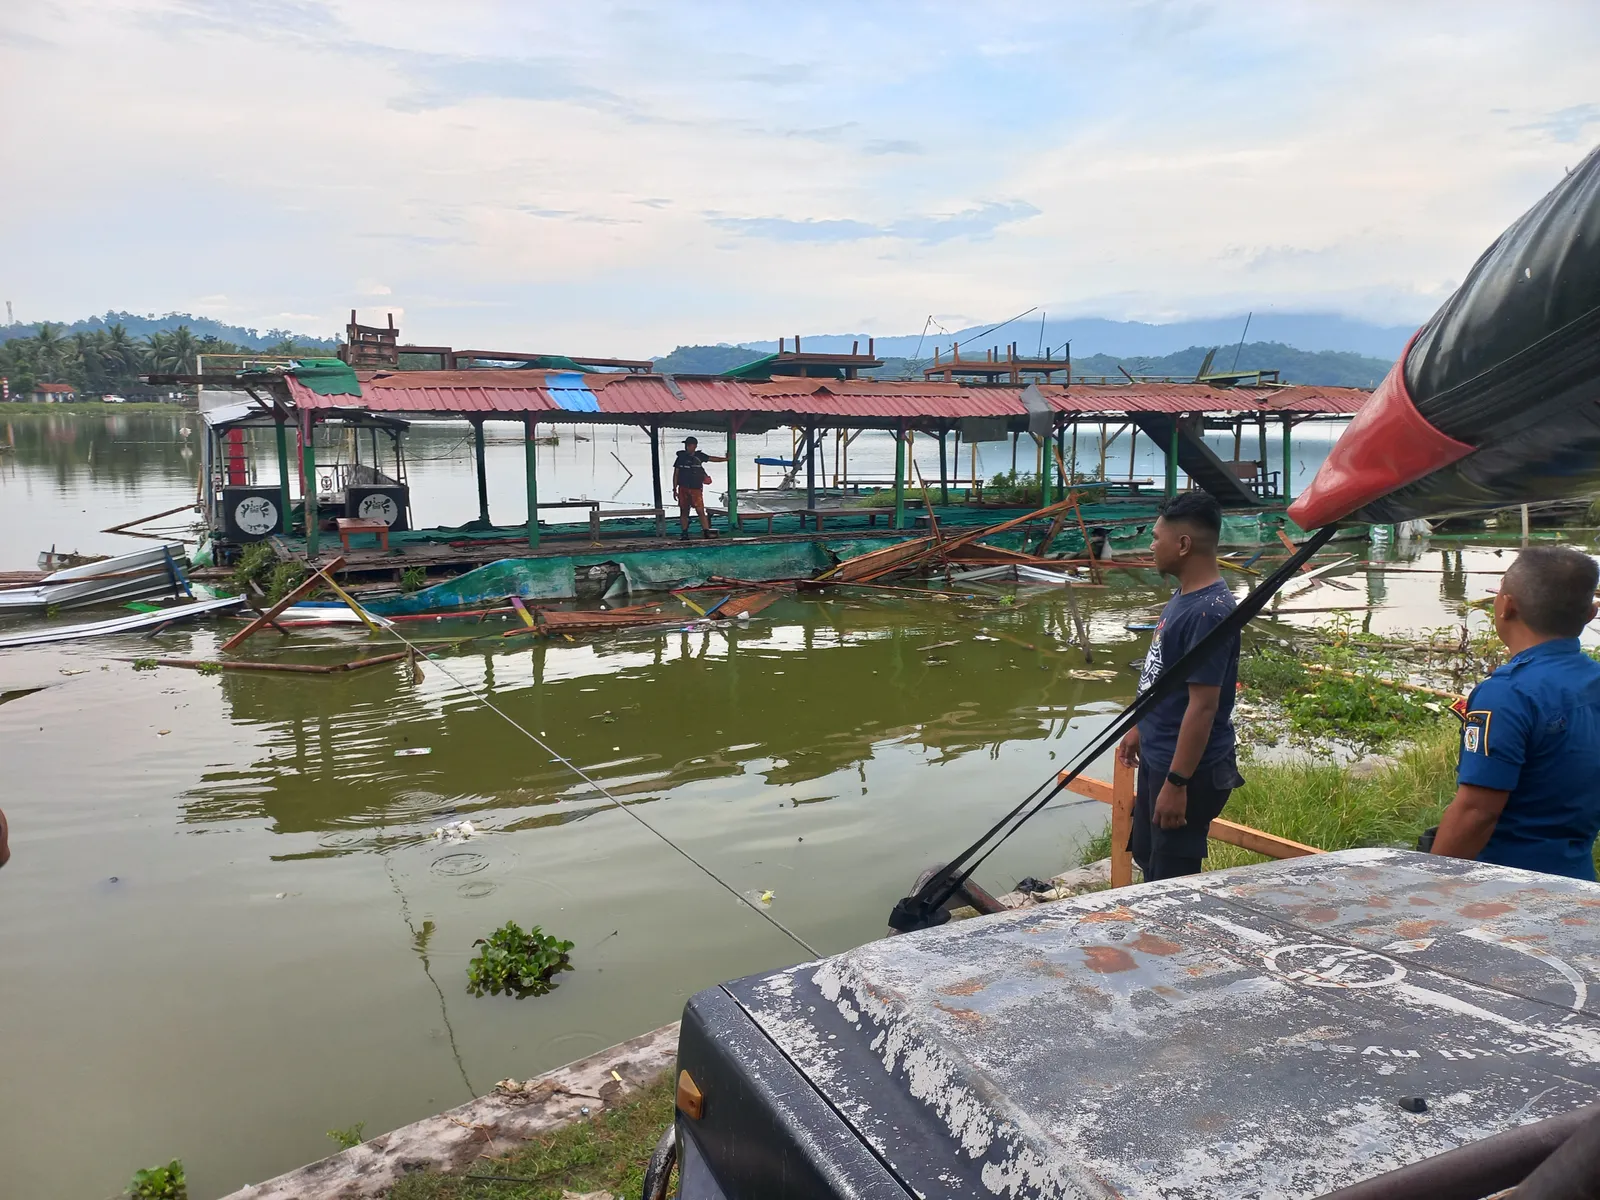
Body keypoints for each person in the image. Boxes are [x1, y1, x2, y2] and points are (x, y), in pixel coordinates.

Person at [1431, 545, 1600, 880]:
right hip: (1577, 880)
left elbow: (1477, 812)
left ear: (1506, 606)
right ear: (1590, 613)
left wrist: (1428, 883)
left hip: (1504, 888)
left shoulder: (1507, 693)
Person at [1116, 492, 1243, 881]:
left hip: (1187, 770)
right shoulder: (1186, 598)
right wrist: (1140, 725)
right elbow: (1164, 677)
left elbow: (1203, 707)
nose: (1150, 546)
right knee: (1148, 857)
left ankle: (1172, 943)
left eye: (1156, 538)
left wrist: (1177, 783)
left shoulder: (1210, 613)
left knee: (1170, 880)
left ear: (1183, 544)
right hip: (1160, 753)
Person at [673, 436, 726, 540]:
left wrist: (726, 459)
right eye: (686, 445)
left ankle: (706, 531)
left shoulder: (699, 456)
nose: (687, 447)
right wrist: (674, 489)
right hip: (683, 488)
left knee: (700, 510)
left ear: (695, 446)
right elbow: (676, 474)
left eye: (689, 445)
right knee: (684, 511)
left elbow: (712, 458)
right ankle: (684, 532)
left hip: (696, 489)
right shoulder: (681, 457)